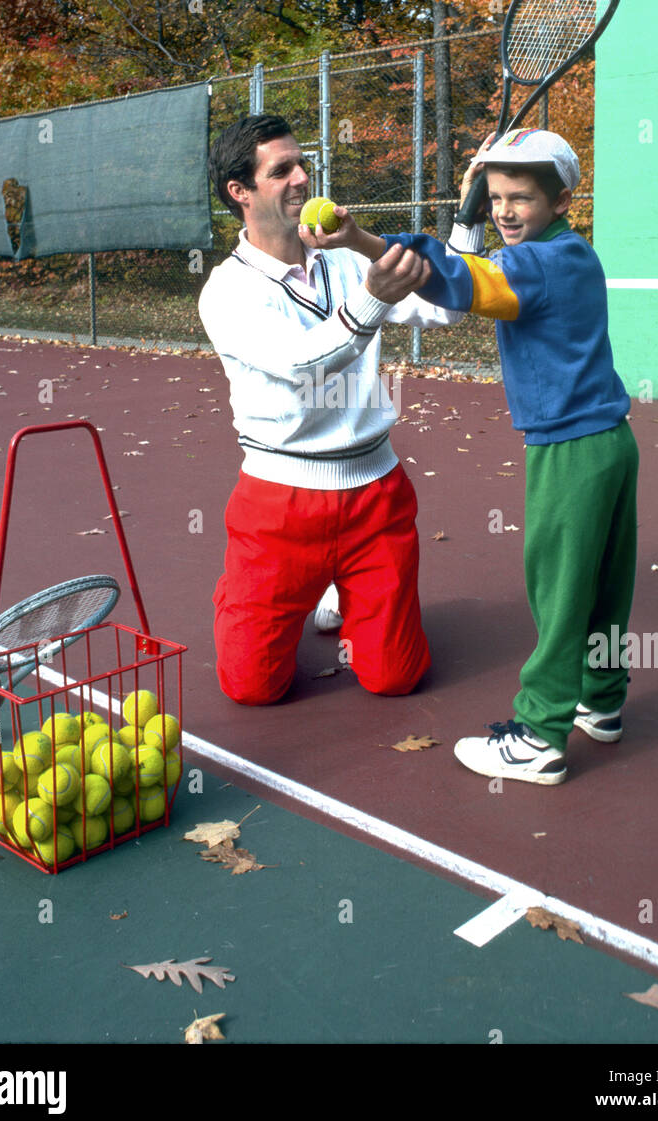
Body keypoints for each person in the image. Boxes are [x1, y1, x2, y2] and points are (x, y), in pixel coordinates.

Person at [309, 128, 639, 784]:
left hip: (569, 452)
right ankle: (600, 701)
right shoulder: (574, 253)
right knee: (603, 584)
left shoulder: (536, 266)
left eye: (520, 197)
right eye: (494, 198)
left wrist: (355, 240)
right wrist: (463, 211)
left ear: (563, 198)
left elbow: (454, 283)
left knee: (557, 590)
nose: (505, 210)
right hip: (609, 444)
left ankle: (539, 736)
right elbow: (464, 272)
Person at [197, 113, 464, 705]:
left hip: (376, 492)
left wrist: (468, 214)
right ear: (239, 192)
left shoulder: (345, 259)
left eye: (302, 164)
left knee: (395, 678)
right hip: (278, 506)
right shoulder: (227, 290)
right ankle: (255, 595)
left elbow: (444, 308)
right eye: (281, 169)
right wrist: (373, 298)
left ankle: (343, 591)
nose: (301, 178)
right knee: (252, 689)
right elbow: (305, 367)